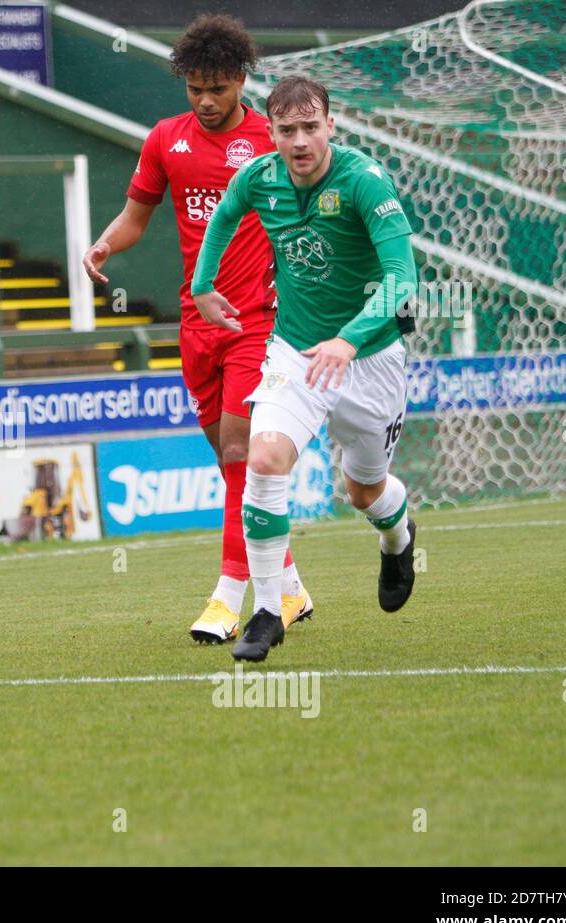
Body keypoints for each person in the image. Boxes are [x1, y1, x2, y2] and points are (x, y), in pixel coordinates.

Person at [82, 14, 312, 645]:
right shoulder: (165, 140)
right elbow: (136, 216)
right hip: (195, 321)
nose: (206, 101)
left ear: (241, 80)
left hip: (257, 321)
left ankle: (228, 599)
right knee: (229, 462)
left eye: (218, 88)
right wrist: (105, 245)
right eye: (194, 89)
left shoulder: (274, 138)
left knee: (242, 454)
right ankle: (288, 584)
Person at [191, 74, 419, 662]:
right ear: (271, 131)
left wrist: (349, 339)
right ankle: (268, 612)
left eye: (310, 128)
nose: (299, 142)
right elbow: (222, 217)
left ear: (331, 128)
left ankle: (398, 540)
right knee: (264, 457)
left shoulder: (366, 181)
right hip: (293, 350)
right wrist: (202, 285)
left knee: (363, 490)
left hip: (369, 360)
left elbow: (402, 277)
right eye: (287, 129)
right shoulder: (258, 178)